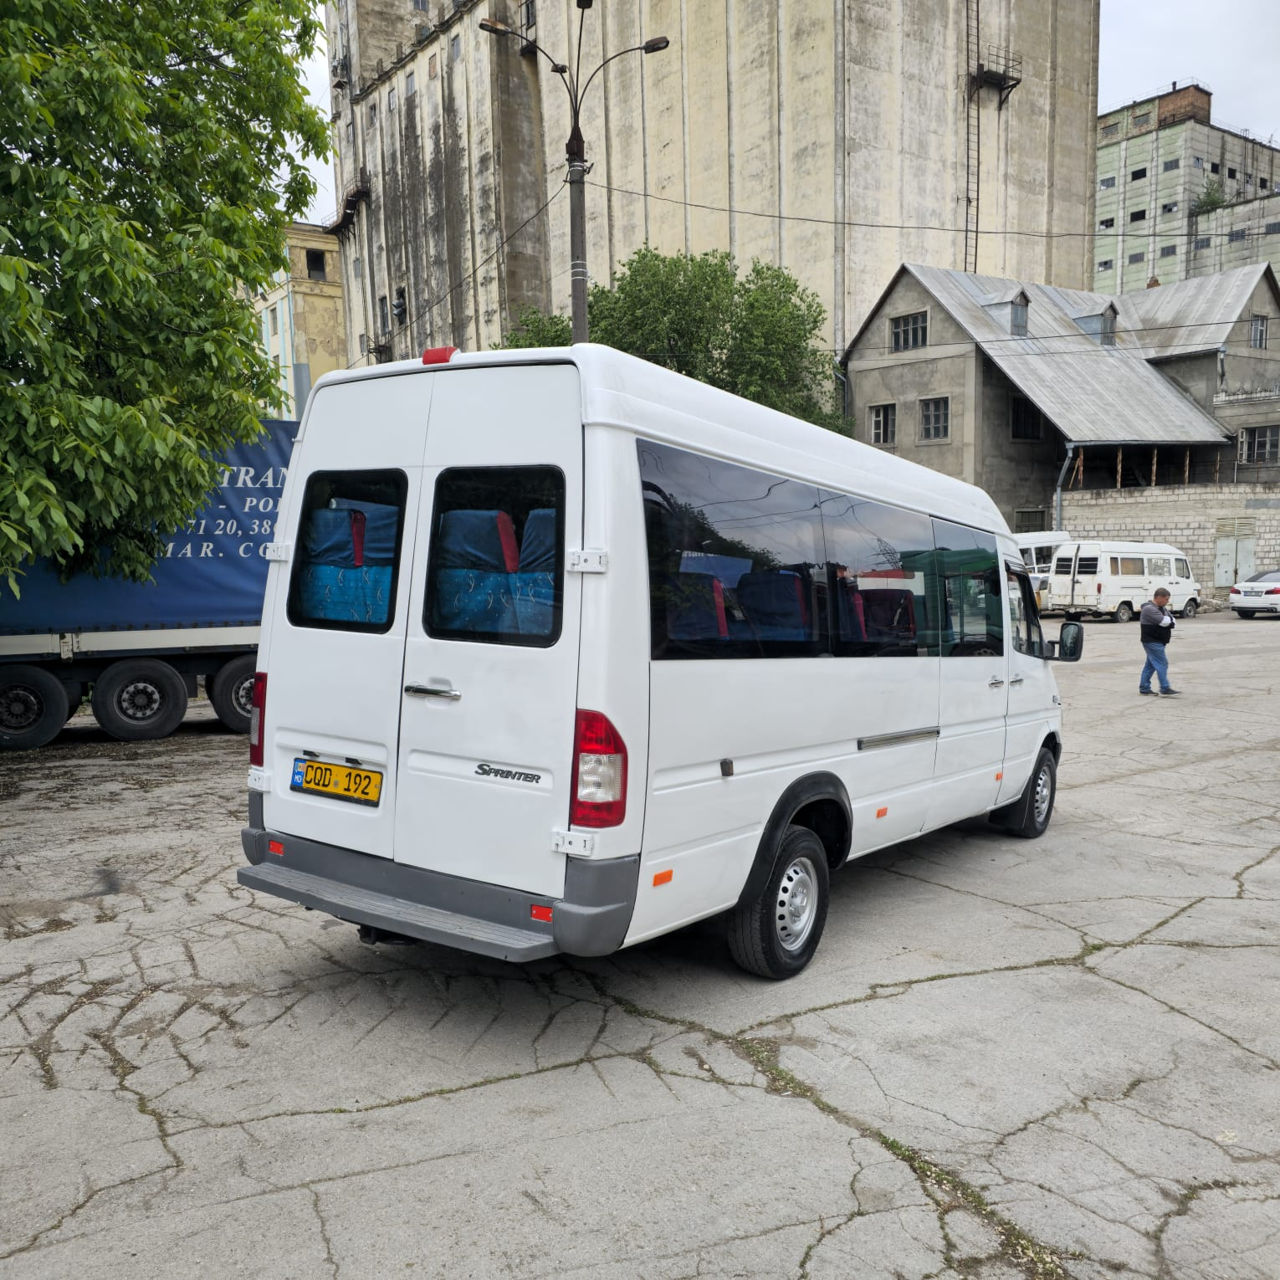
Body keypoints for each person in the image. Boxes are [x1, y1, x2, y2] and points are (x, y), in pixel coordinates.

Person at [1139, 588, 1178, 696]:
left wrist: (1169, 621)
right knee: (1162, 663)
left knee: (1150, 665)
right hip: (1152, 641)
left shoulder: (1162, 608)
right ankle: (1164, 688)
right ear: (1159, 597)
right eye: (1166, 599)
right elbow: (1164, 622)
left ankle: (1144, 688)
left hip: (1158, 641)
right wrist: (1169, 621)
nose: (1167, 601)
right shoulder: (1149, 609)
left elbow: (1172, 620)